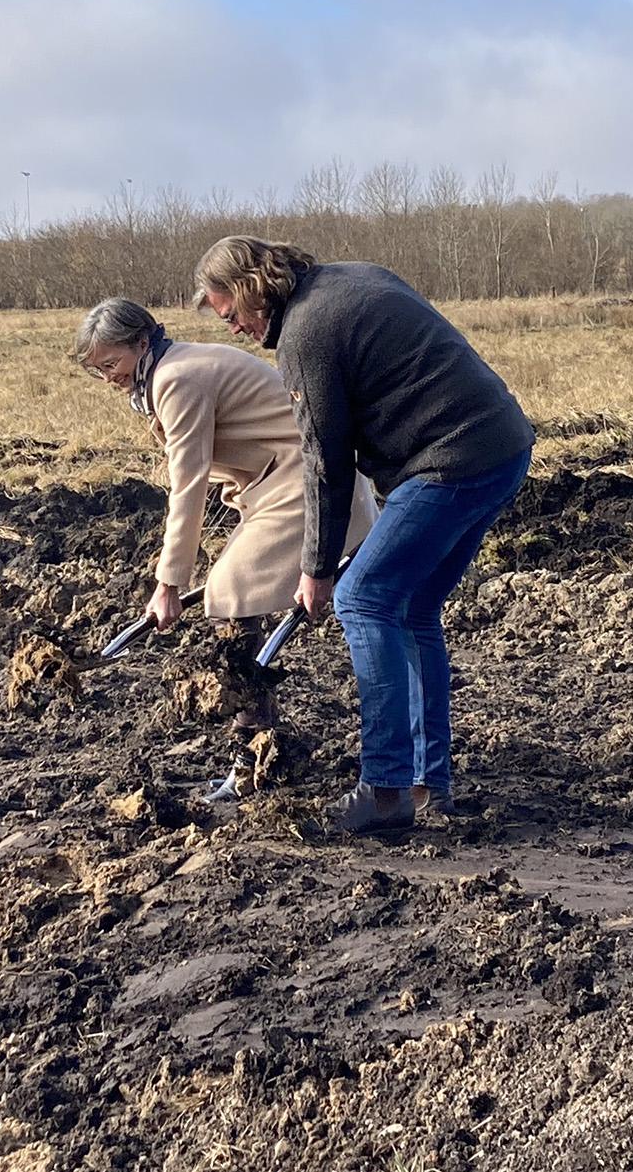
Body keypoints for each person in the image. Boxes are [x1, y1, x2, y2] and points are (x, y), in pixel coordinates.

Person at [193, 238, 534, 834]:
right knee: (416, 609)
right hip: (502, 446)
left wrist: (318, 569)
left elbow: (325, 459)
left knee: (363, 599)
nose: (238, 328)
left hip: (449, 459)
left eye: (233, 315)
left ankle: (383, 791)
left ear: (251, 288)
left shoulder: (306, 333)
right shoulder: (350, 277)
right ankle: (430, 785)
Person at [75, 298, 376, 696]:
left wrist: (168, 584)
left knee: (229, 591)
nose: (108, 378)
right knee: (229, 590)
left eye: (111, 365)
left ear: (142, 343)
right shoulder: (170, 368)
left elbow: (188, 482)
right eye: (98, 371)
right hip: (281, 484)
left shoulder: (176, 379)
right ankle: (250, 717)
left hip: (304, 485)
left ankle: (250, 722)